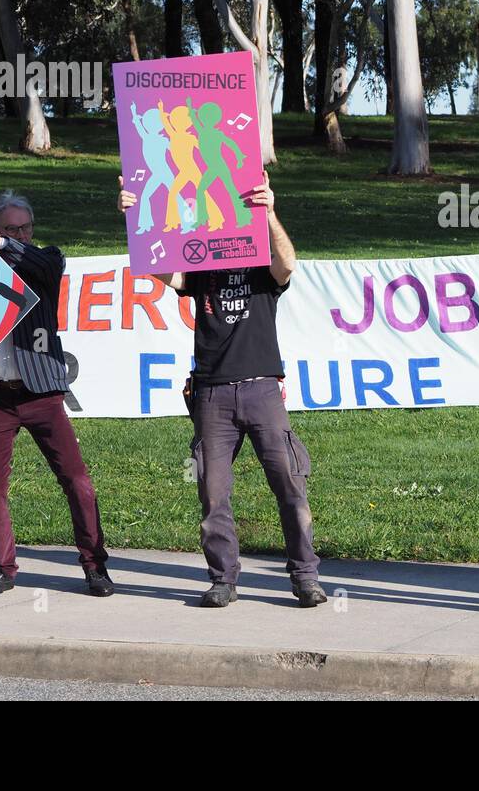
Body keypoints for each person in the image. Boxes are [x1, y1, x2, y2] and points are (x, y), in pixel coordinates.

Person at [118, 171, 326, 609]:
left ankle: (306, 576)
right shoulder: (202, 263)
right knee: (213, 492)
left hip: (263, 391)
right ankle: (223, 579)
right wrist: (135, 217)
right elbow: (161, 271)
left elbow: (288, 263)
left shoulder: (261, 265)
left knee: (289, 483)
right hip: (211, 394)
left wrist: (269, 212)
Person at [0, 192, 113, 598]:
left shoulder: (46, 259)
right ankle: (2, 568)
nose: (22, 235)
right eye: (11, 229)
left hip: (41, 391)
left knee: (77, 481)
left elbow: (39, 262)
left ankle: (95, 566)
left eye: (26, 227)